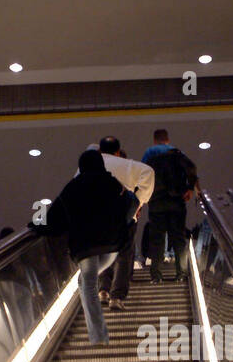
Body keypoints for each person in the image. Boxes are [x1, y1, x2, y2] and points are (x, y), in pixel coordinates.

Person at [40, 149, 135, 344]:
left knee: (88, 283)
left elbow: (54, 216)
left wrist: (36, 225)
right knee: (85, 282)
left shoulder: (73, 186)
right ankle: (99, 333)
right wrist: (123, 224)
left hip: (85, 247)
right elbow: (131, 203)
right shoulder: (113, 183)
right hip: (112, 246)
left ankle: (98, 335)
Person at [92, 136, 154, 310]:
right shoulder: (128, 165)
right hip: (124, 217)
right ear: (118, 151)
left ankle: (103, 290)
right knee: (124, 256)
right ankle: (116, 297)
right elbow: (148, 172)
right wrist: (138, 201)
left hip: (98, 218)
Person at [140, 128, 198, 283]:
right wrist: (190, 189)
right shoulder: (177, 153)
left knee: (157, 239)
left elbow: (142, 175)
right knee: (178, 238)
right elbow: (192, 169)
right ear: (167, 139)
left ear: (154, 140)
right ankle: (181, 274)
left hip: (156, 201)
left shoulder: (150, 152)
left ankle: (156, 276)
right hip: (176, 200)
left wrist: (142, 199)